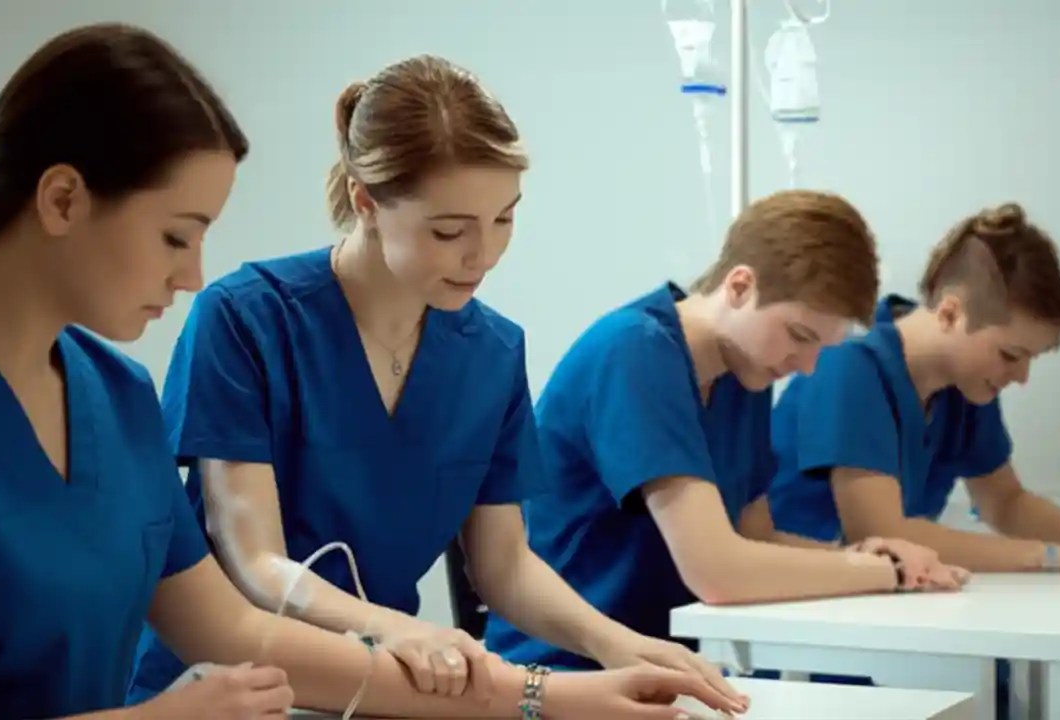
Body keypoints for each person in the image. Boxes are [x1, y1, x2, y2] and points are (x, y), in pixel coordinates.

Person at [0, 23, 745, 720]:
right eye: (178, 236)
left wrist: (559, 692)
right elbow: (247, 593)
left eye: (504, 220)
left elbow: (237, 635)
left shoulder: (113, 394)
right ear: (62, 198)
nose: (192, 275)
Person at [127, 53, 747, 717]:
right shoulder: (248, 317)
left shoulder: (492, 351)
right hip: (229, 690)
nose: (482, 256)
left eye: (504, 219)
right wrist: (394, 626)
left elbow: (503, 566)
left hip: (394, 691)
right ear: (366, 200)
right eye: (449, 231)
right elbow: (254, 564)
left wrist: (616, 642)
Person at [482, 190, 969, 671]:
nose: (807, 365)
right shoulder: (636, 352)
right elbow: (716, 572)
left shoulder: (743, 374)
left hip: (670, 670)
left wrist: (865, 553)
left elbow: (753, 537)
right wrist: (883, 572)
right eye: (800, 336)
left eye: (822, 346)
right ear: (739, 286)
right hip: (564, 673)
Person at [767, 202, 1060, 572]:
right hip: (791, 602)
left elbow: (1004, 501)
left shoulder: (968, 385)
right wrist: (1057, 557)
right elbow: (882, 534)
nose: (1021, 377)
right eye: (1010, 355)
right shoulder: (850, 364)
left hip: (876, 596)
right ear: (950, 314)